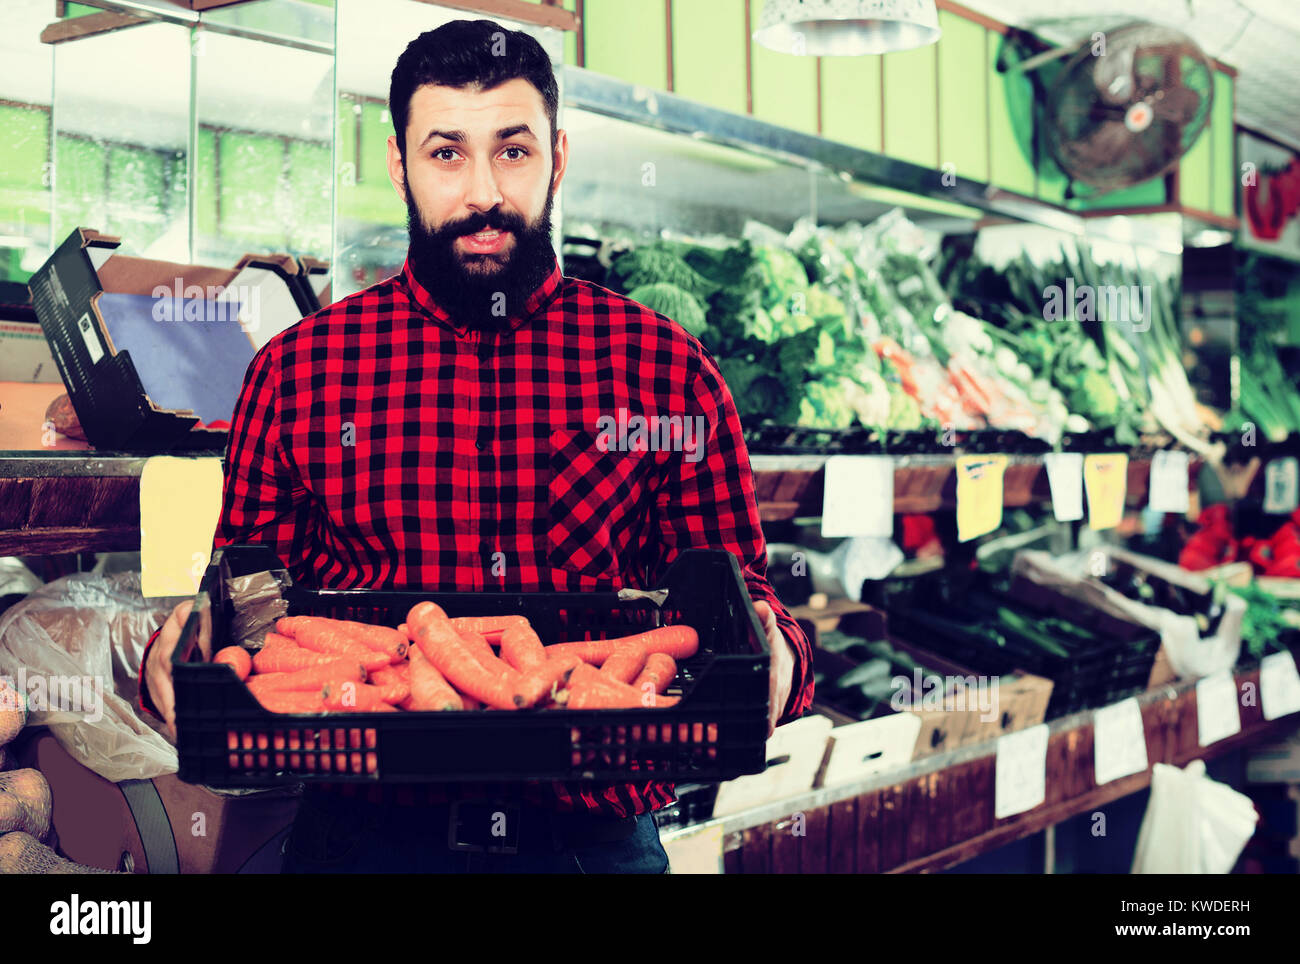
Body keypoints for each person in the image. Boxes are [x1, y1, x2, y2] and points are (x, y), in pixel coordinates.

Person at [138, 19, 812, 874]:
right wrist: (185, 651)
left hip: (590, 842)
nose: (484, 191)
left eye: (514, 151)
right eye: (447, 153)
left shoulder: (667, 372)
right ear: (400, 165)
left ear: (557, 160)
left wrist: (775, 653)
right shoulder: (299, 373)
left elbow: (739, 595)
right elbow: (254, 603)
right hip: (361, 836)